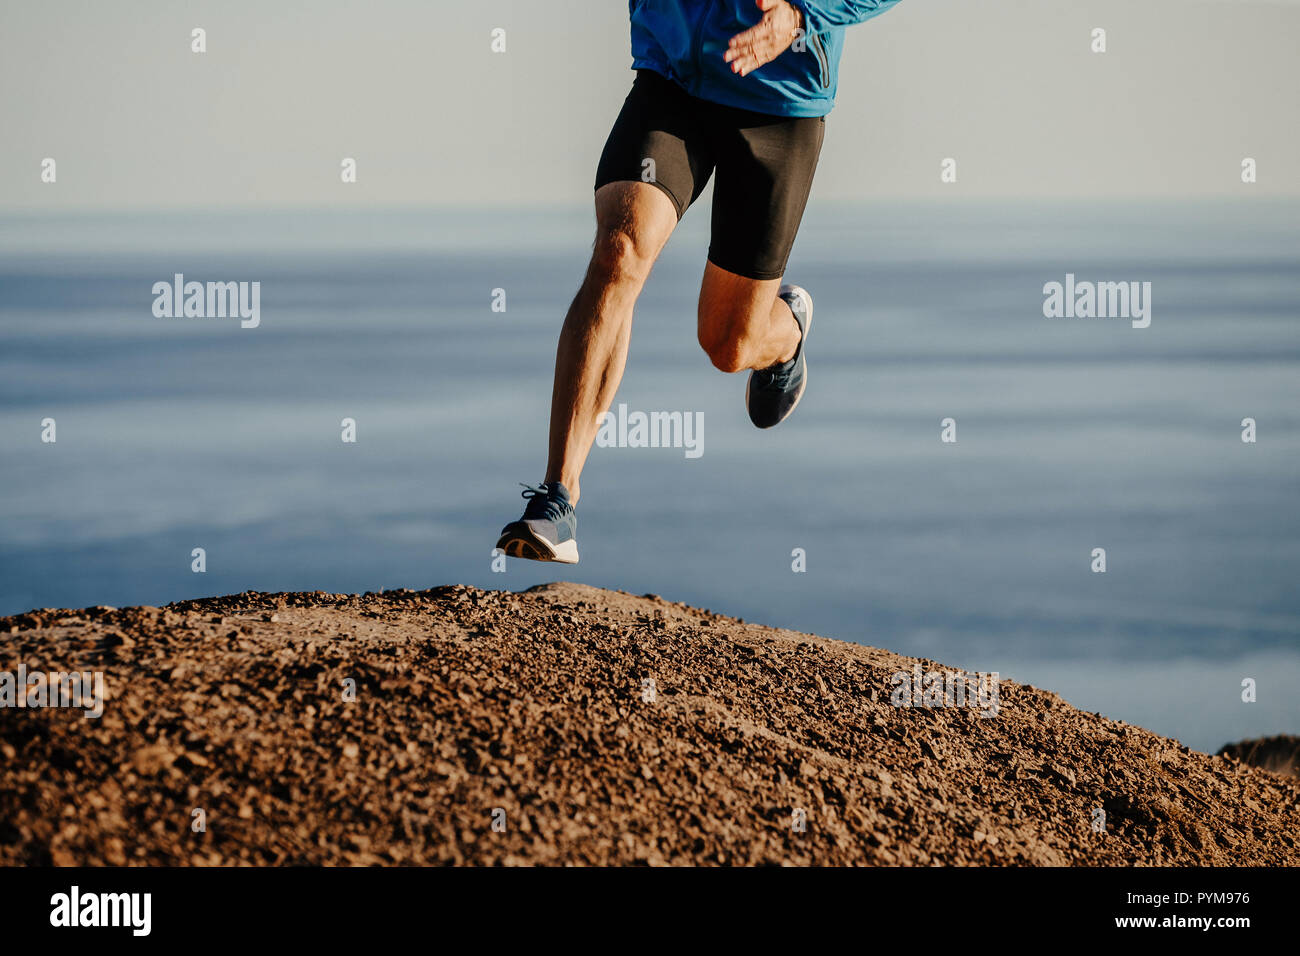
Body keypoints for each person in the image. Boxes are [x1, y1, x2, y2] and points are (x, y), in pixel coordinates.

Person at [497, 0, 902, 564]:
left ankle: (785, 336)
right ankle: (557, 499)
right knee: (619, 251)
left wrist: (802, 14)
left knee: (729, 344)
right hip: (673, 80)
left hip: (777, 100)